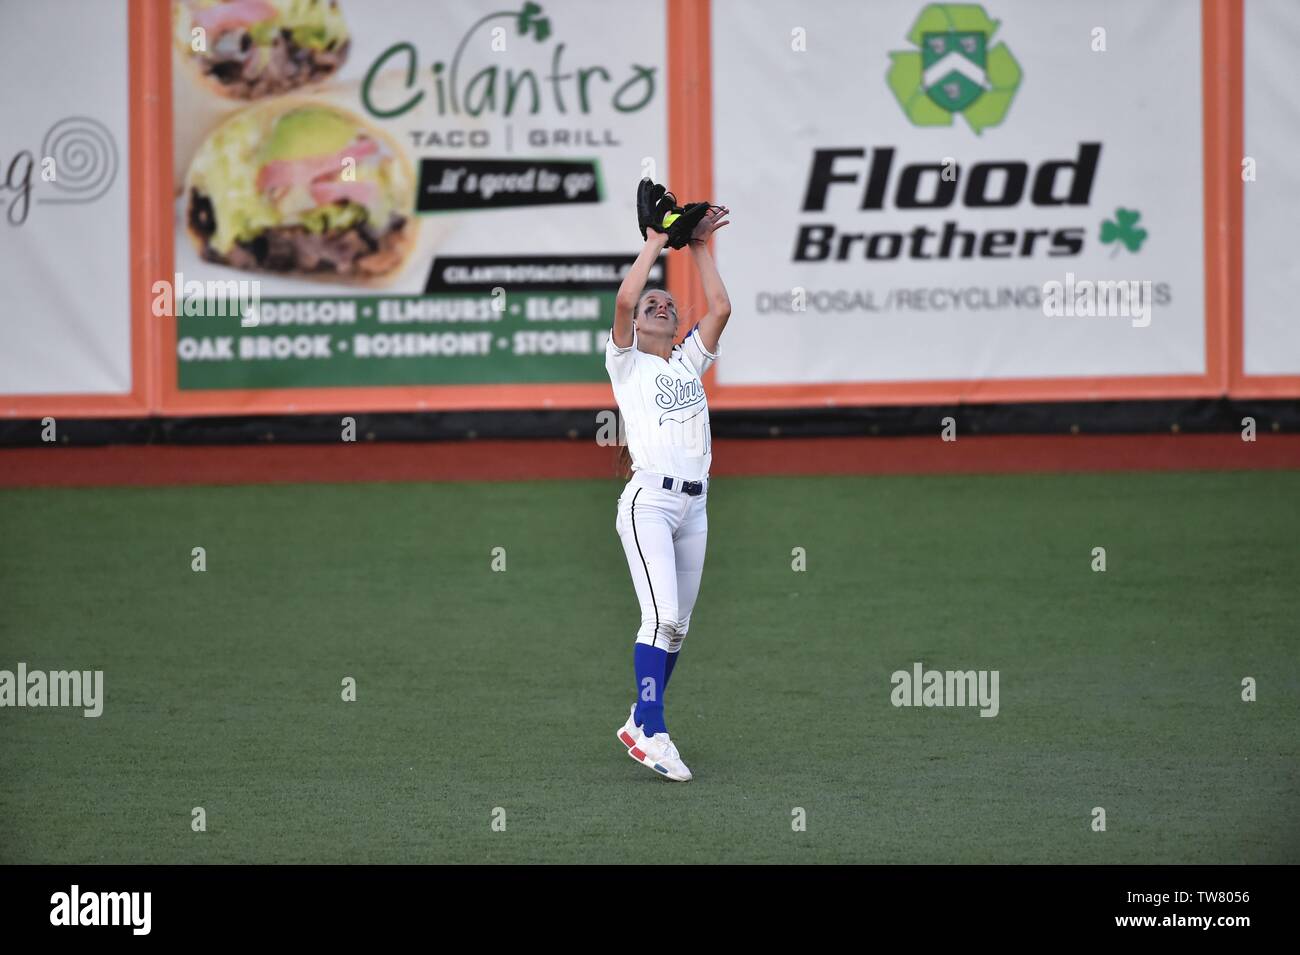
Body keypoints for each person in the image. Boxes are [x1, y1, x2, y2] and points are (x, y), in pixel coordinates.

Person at [606, 200, 731, 781]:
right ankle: (652, 730)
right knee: (658, 617)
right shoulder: (626, 362)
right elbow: (625, 299)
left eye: (669, 304)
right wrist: (658, 240)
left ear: (677, 327)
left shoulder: (686, 364)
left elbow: (722, 307)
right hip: (649, 502)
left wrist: (700, 243)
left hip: (695, 505)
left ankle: (641, 716)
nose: (659, 304)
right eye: (653, 303)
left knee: (677, 624)